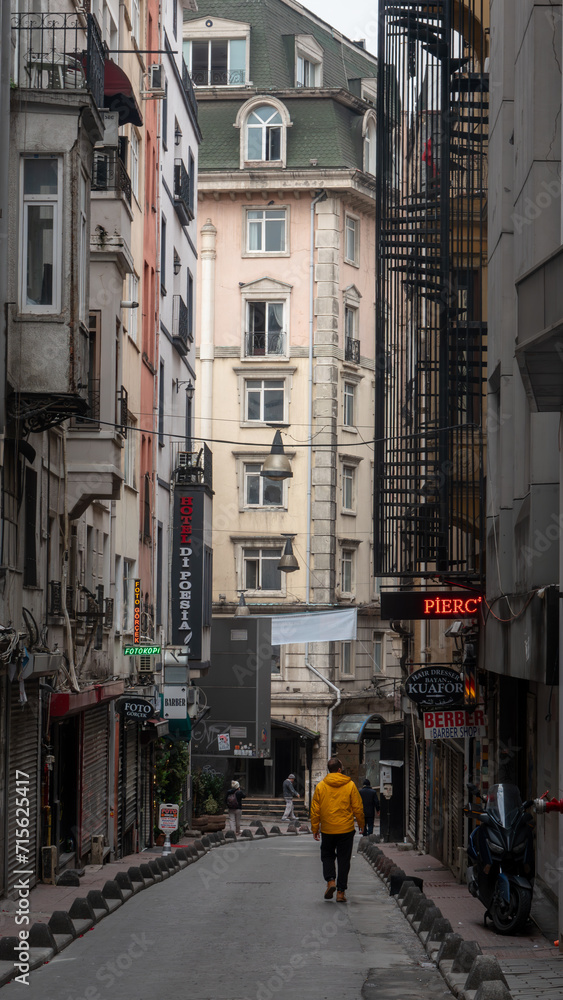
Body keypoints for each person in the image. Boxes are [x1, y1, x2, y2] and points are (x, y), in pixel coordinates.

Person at [310, 757, 365, 903]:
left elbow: (315, 810)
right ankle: (341, 892)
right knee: (344, 860)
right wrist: (361, 823)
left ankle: (330, 881)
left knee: (327, 856)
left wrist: (315, 828)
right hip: (346, 830)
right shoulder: (350, 785)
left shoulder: (321, 786)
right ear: (340, 770)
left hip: (327, 829)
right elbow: (358, 807)